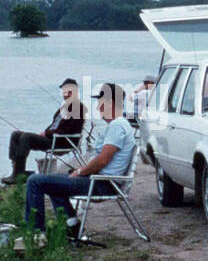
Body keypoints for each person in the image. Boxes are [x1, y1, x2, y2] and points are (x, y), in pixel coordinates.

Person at [23, 83, 134, 235]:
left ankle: (35, 234)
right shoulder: (120, 125)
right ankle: (72, 227)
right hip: (100, 180)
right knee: (52, 181)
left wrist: (80, 171)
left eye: (100, 103)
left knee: (35, 181)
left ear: (110, 103)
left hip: (101, 184)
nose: (98, 108)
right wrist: (80, 171)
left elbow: (102, 160)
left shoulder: (117, 126)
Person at [3, 78, 86, 184]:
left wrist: (47, 133)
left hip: (62, 142)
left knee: (26, 137)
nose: (64, 94)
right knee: (16, 135)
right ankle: (16, 168)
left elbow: (67, 130)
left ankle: (19, 174)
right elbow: (54, 125)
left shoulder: (77, 108)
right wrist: (45, 132)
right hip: (52, 138)